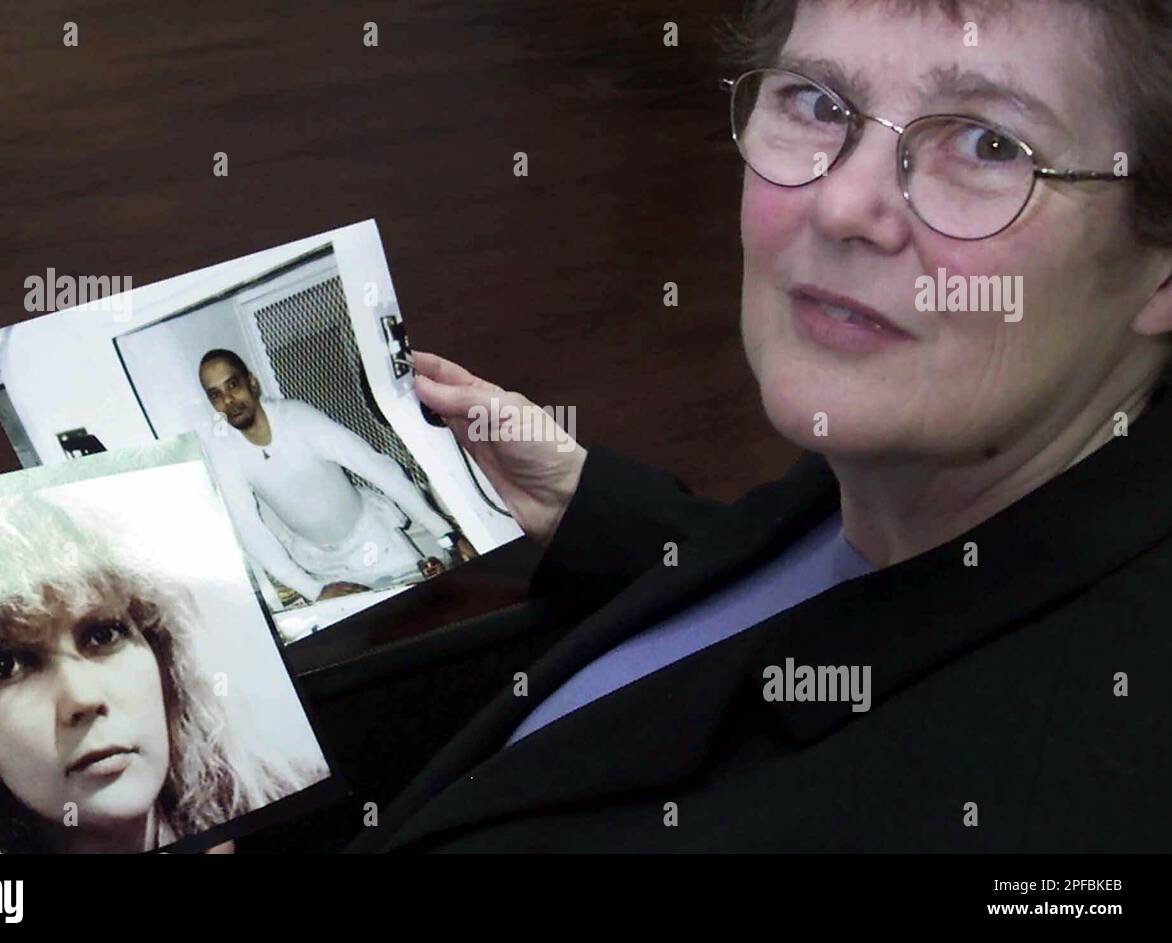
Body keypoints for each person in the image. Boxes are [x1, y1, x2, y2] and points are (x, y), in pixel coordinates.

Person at [348, 0, 1172, 852]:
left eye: (987, 144)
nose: (842, 204)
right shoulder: (935, 481)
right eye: (818, 103)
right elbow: (849, 608)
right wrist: (593, 509)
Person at [0, 493, 319, 853]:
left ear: (163, 661)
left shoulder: (302, 810)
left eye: (102, 635)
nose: (82, 698)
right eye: (3, 666)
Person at [197, 349, 471, 605]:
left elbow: (378, 470)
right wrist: (313, 590)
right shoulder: (225, 449)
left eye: (232, 385)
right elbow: (247, 528)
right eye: (216, 394)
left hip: (377, 544)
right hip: (320, 567)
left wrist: (447, 535)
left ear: (252, 383)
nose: (228, 400)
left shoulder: (298, 419)